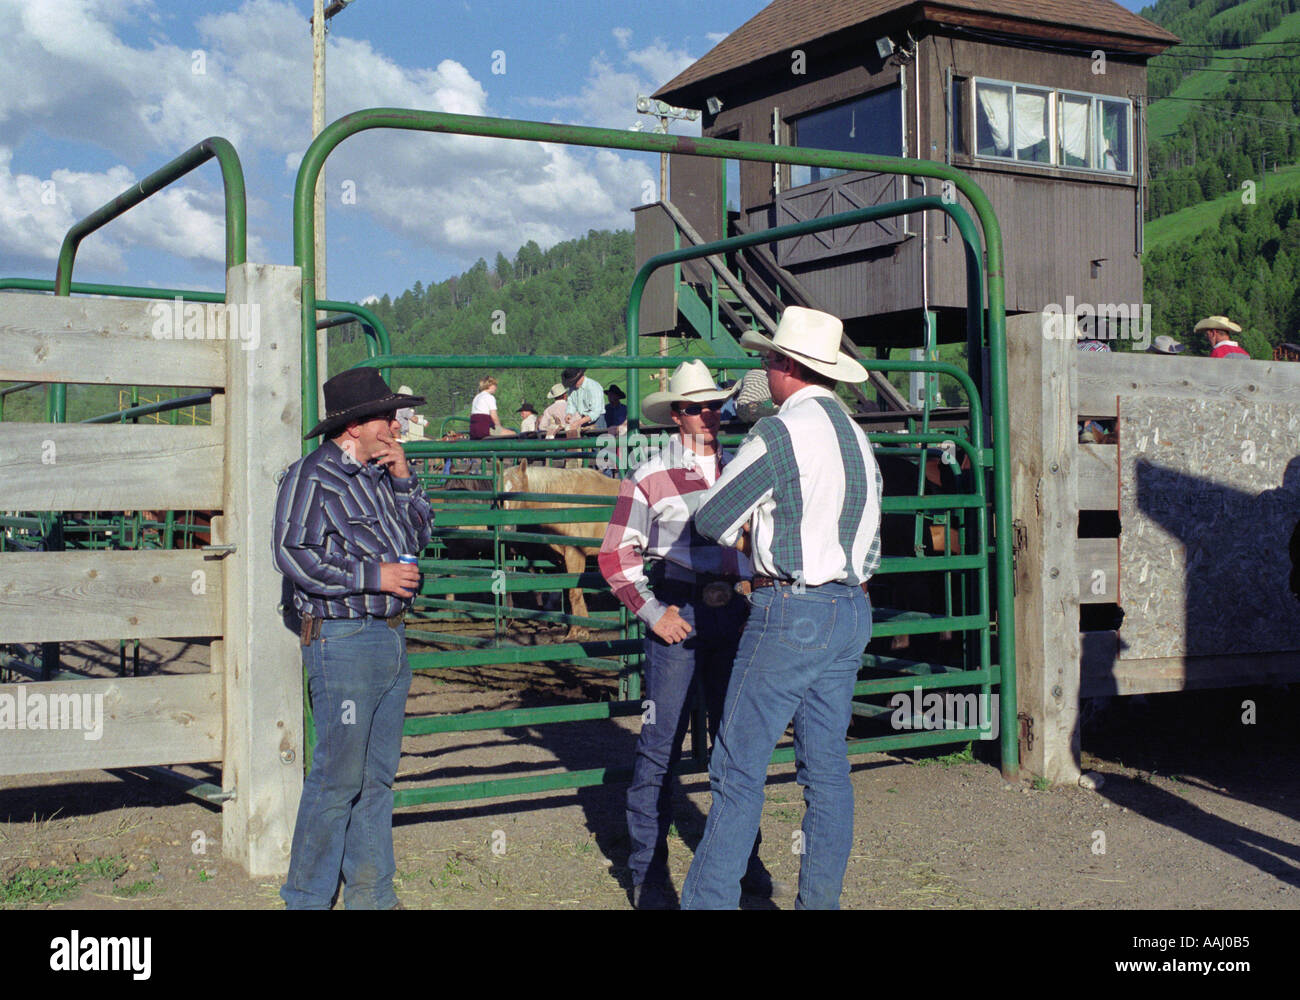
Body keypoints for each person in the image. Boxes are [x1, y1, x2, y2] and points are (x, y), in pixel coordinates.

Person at [680, 306, 883, 911]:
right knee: (826, 772)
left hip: (789, 607)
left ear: (785, 367)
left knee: (738, 770)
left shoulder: (779, 432)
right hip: (849, 605)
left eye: (768, 360)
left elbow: (713, 516)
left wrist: (753, 537)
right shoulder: (857, 435)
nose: (764, 370)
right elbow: (872, 538)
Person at [598, 360, 769, 909]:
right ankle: (648, 875)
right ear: (676, 414)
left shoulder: (741, 468)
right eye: (695, 407)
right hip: (681, 608)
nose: (708, 415)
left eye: (714, 405)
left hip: (732, 609)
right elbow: (615, 556)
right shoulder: (649, 476)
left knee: (737, 743)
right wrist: (653, 613)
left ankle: (743, 860)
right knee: (658, 746)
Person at [273, 368, 433, 910]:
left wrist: (406, 477)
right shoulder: (311, 476)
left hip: (388, 635)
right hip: (342, 638)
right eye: (388, 417)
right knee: (337, 779)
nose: (396, 425)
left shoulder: (381, 475)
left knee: (376, 778)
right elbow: (294, 553)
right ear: (357, 425)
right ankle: (306, 900)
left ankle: (373, 897)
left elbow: (420, 538)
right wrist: (375, 577)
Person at [562, 367, 606, 433]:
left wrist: (579, 422)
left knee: (598, 441)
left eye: (574, 381)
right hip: (583, 421)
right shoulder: (572, 388)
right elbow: (571, 403)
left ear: (581, 377)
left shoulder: (593, 387)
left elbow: (596, 412)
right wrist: (569, 413)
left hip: (597, 421)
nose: (573, 384)